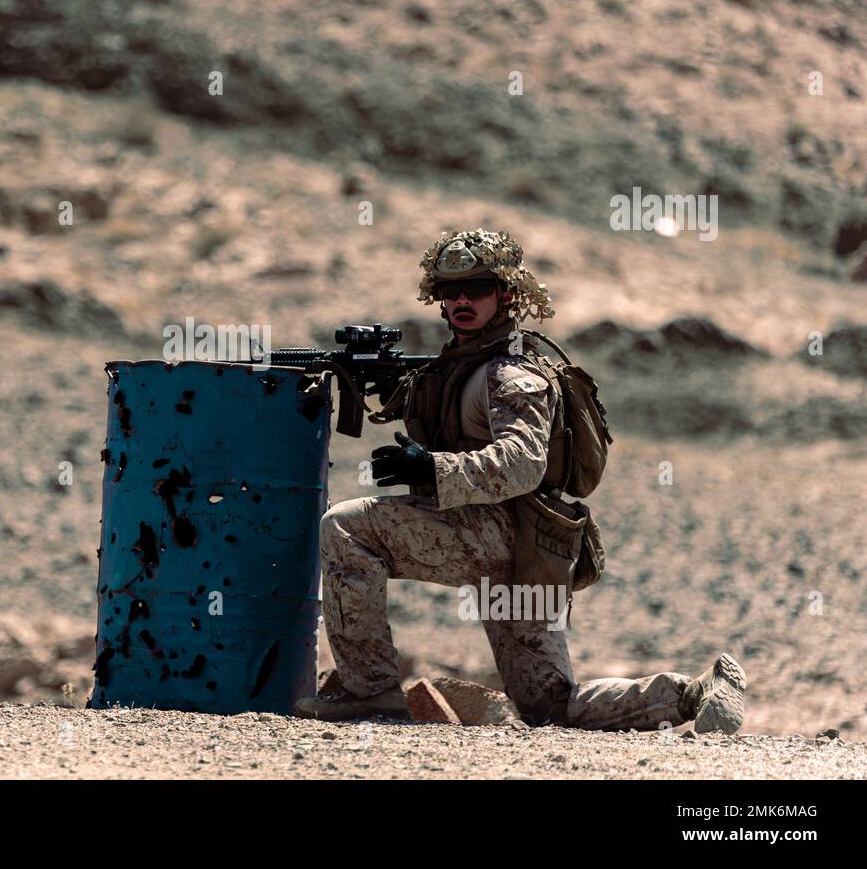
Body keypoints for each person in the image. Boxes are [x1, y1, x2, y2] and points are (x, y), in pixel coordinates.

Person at [293, 229, 746, 733]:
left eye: (478, 288)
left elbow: (522, 461)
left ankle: (367, 691)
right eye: (450, 291)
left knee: (348, 528)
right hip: (530, 551)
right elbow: (452, 407)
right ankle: (690, 694)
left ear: (506, 295)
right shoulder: (464, 364)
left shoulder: (511, 373)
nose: (462, 300)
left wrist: (432, 470)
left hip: (498, 534)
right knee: (550, 706)